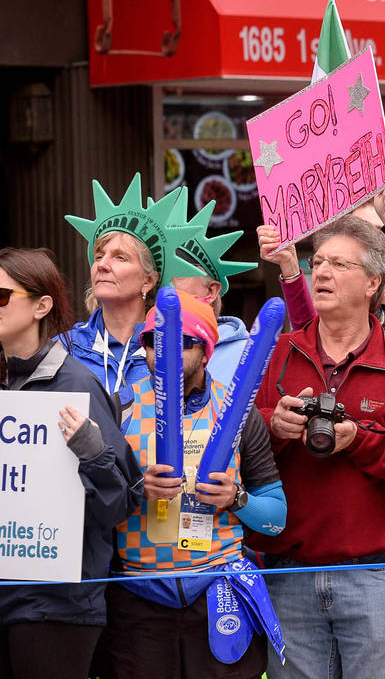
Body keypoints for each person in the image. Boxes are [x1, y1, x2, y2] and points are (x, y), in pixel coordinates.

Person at [250, 214, 385, 679]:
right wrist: (273, 426)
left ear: (375, 284)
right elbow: (234, 446)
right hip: (290, 574)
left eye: (339, 265)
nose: (320, 273)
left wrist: (360, 440)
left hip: (376, 579)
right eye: (317, 261)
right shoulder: (276, 355)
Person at [101, 290, 287, 679]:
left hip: (218, 591)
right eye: (153, 341)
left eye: (184, 343)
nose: (165, 353)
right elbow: (93, 507)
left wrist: (236, 498)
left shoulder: (239, 411)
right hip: (139, 597)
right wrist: (137, 489)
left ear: (207, 350)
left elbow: (276, 516)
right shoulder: (119, 408)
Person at [0, 248, 142, 679]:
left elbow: (121, 504)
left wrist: (94, 453)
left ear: (42, 306)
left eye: (1, 296)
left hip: (56, 606)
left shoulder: (78, 384)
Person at [64, 175, 206, 405]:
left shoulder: (174, 349)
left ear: (148, 281)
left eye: (120, 257)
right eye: (99, 256)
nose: (102, 264)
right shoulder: (64, 348)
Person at [258, 180, 385, 338]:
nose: (371, 242)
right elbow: (308, 344)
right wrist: (289, 266)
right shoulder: (334, 317)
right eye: (357, 233)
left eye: (383, 230)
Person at [163, 191, 258, 385]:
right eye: (160, 276)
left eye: (179, 272)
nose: (165, 286)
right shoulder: (142, 349)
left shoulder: (250, 355)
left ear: (212, 291)